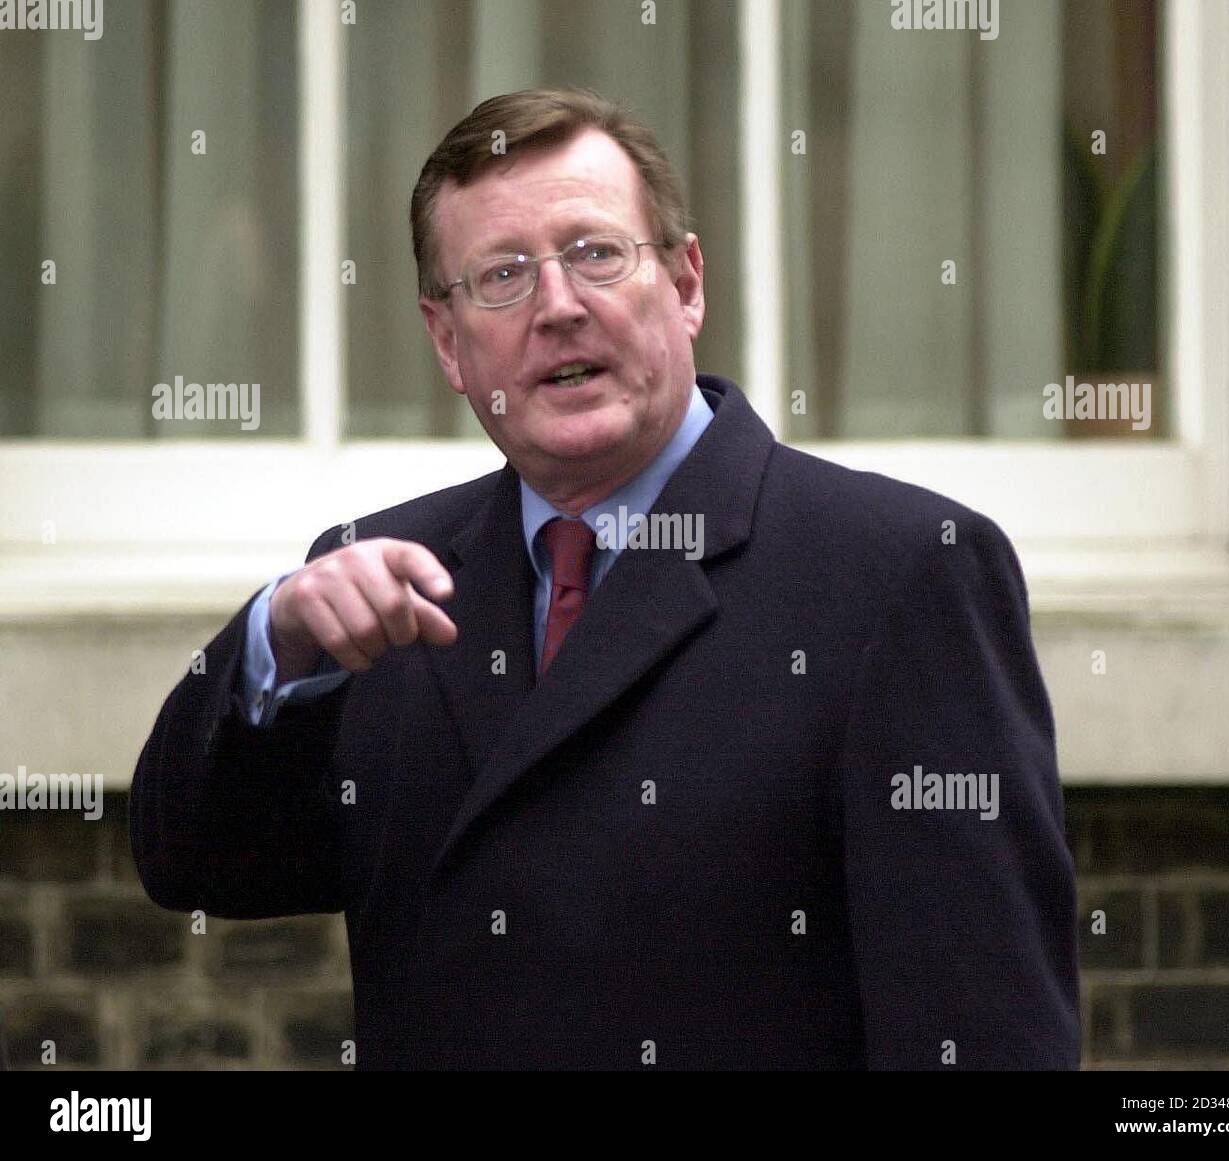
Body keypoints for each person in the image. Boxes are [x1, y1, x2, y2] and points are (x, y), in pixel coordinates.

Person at [131, 87, 1079, 1070]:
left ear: (686, 282)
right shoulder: (379, 588)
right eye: (501, 276)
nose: (558, 306)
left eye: (595, 254)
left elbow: (982, 1028)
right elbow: (193, 862)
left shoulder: (896, 573)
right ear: (447, 341)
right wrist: (278, 639)